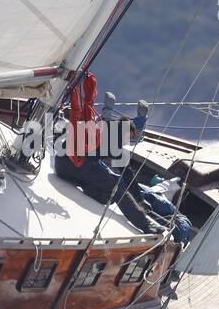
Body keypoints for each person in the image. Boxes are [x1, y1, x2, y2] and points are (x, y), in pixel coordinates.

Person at [53, 72, 165, 237]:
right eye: (130, 137)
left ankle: (100, 193)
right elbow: (127, 174)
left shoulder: (104, 128)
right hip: (77, 165)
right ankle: (145, 225)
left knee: (102, 175)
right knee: (116, 189)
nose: (128, 141)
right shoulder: (115, 141)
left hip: (60, 166)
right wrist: (139, 201)